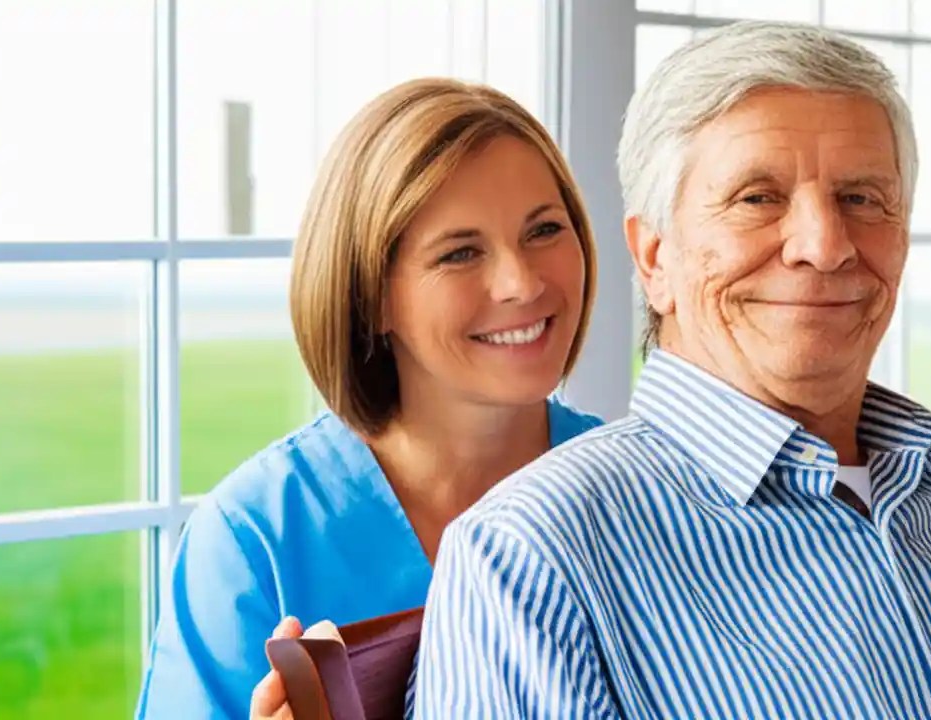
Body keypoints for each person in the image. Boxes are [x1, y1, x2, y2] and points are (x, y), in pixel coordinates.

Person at [414, 21, 931, 719]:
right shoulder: (531, 558)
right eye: (757, 198)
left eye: (862, 198)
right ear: (655, 259)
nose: (825, 245)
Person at [134, 77, 602, 720]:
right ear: (372, 294)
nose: (522, 282)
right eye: (461, 252)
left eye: (545, 230)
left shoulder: (645, 486)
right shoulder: (254, 539)